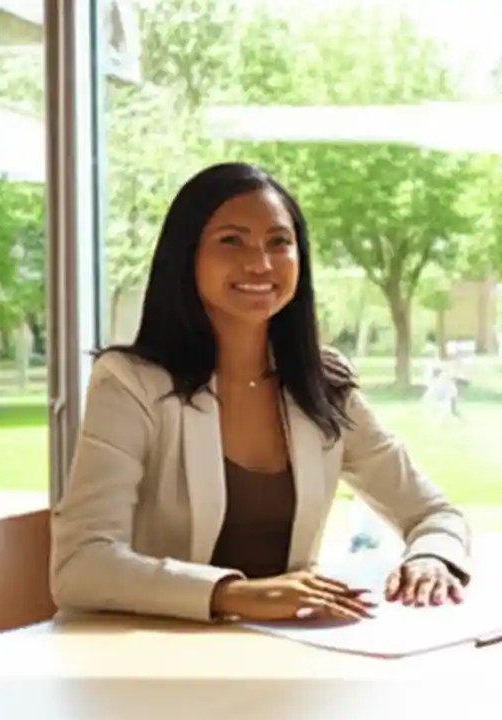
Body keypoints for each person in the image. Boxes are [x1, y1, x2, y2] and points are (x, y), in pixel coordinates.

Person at [50, 163, 472, 624]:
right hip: (154, 649)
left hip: (285, 647)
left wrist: (431, 558)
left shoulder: (322, 382)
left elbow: (433, 513)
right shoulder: (128, 383)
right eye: (232, 241)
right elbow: (81, 564)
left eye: (279, 242)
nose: (260, 264)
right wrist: (233, 594)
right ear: (186, 255)